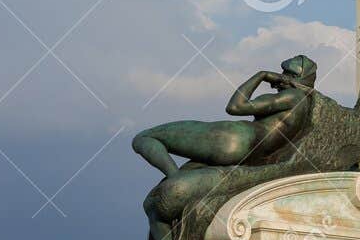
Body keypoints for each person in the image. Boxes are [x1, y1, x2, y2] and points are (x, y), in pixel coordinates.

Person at [132, 55, 317, 178]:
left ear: (292, 78)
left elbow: (235, 107)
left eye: (285, 73)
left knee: (144, 137)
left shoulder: (292, 97)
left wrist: (261, 76)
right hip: (243, 152)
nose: (280, 75)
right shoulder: (303, 105)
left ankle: (174, 179)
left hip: (232, 137)